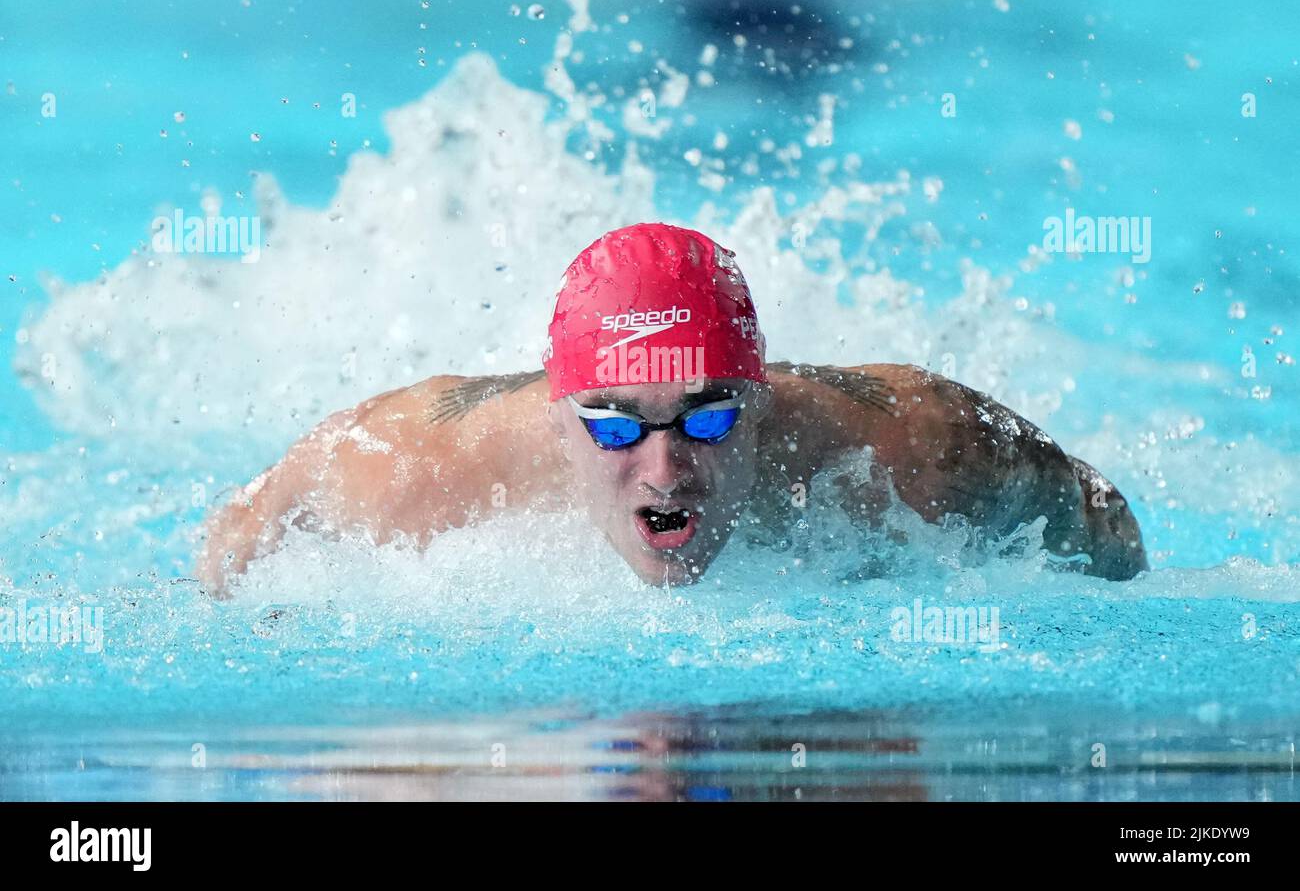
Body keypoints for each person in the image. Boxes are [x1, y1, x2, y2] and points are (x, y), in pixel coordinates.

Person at [195, 222, 1147, 594]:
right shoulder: (418, 469)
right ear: (558, 414)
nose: (665, 469)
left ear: (763, 406)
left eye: (709, 418)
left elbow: (1103, 518)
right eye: (614, 425)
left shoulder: (913, 451)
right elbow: (247, 523)